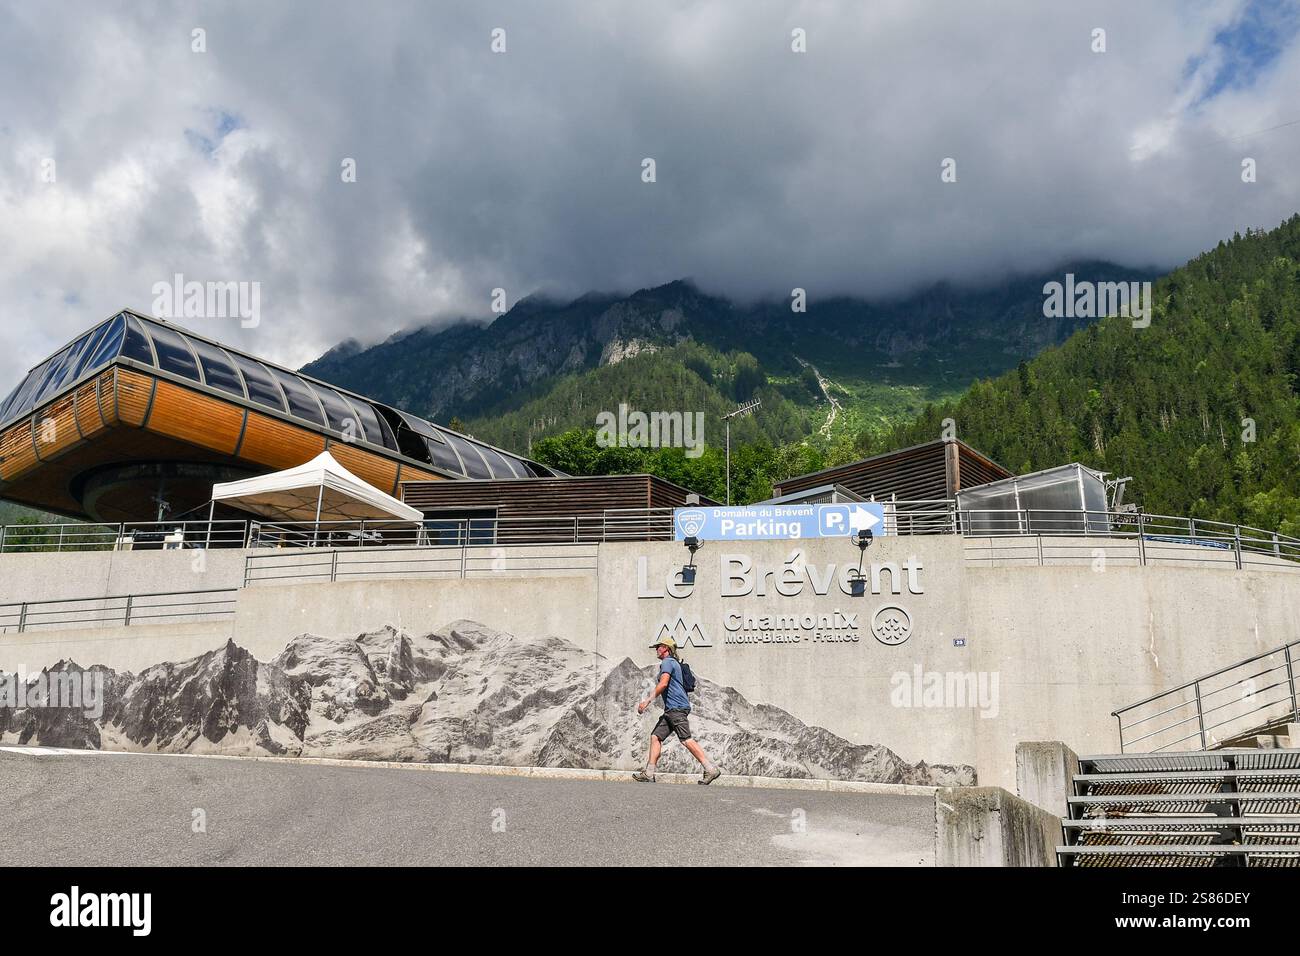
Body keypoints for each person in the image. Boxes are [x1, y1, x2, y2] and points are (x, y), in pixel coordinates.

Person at [632, 636, 721, 785]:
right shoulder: (673, 663)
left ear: (666, 648)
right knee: (656, 737)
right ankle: (649, 773)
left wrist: (646, 701)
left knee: (686, 739)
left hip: (676, 708)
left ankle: (710, 769)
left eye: (658, 646)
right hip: (671, 710)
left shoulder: (667, 662)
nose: (656, 649)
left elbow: (663, 684)